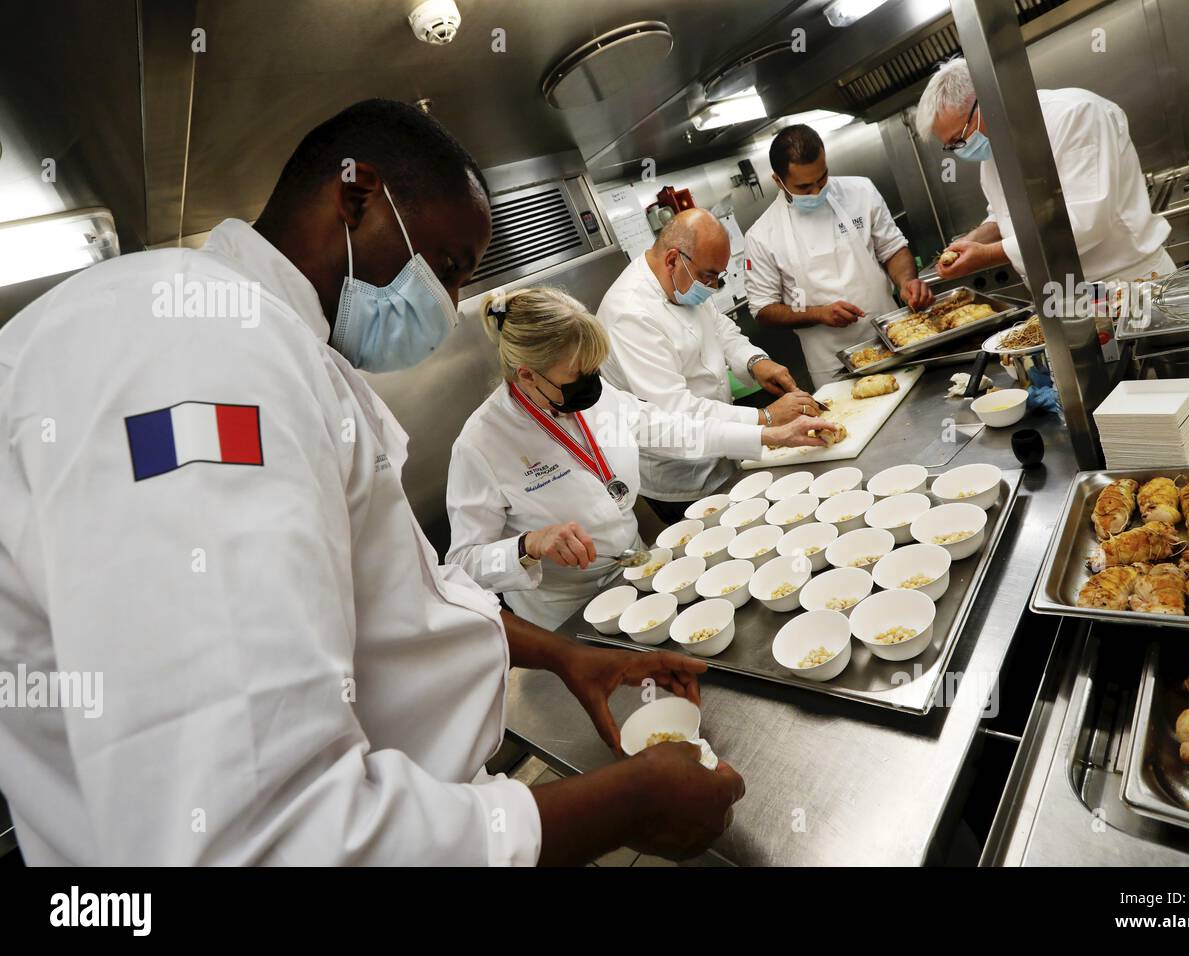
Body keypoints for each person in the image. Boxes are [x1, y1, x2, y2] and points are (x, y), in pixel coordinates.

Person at [0, 99, 748, 866]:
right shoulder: (196, 355)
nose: (450, 304)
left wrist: (568, 658)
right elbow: (265, 838)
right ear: (358, 197)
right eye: (448, 267)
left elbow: (402, 598)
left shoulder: (276, 347)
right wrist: (630, 803)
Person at [447, 287, 833, 630]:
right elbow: (463, 563)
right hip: (566, 615)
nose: (591, 385)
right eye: (575, 376)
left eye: (594, 369)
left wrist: (767, 434)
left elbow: (675, 429)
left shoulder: (599, 399)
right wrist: (528, 545)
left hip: (636, 575)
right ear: (527, 375)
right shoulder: (481, 444)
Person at [596, 208, 820, 524]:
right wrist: (765, 417)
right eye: (708, 276)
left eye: (719, 276)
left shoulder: (687, 279)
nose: (713, 286)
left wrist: (755, 362)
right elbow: (676, 412)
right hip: (682, 475)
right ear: (673, 259)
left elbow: (721, 330)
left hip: (724, 447)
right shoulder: (629, 314)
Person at [915, 57, 1175, 286]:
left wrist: (989, 255)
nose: (962, 150)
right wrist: (972, 241)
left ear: (984, 102)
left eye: (960, 138)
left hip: (1131, 282)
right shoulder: (995, 150)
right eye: (952, 146)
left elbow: (1087, 223)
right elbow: (1003, 215)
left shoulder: (1075, 115)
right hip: (1065, 295)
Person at [744, 123, 934, 389]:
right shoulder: (762, 235)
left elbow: (893, 249)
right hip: (832, 365)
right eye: (804, 186)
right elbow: (764, 309)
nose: (817, 191)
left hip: (897, 337)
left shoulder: (861, 192)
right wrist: (819, 314)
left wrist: (906, 283)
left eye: (822, 179)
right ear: (778, 180)